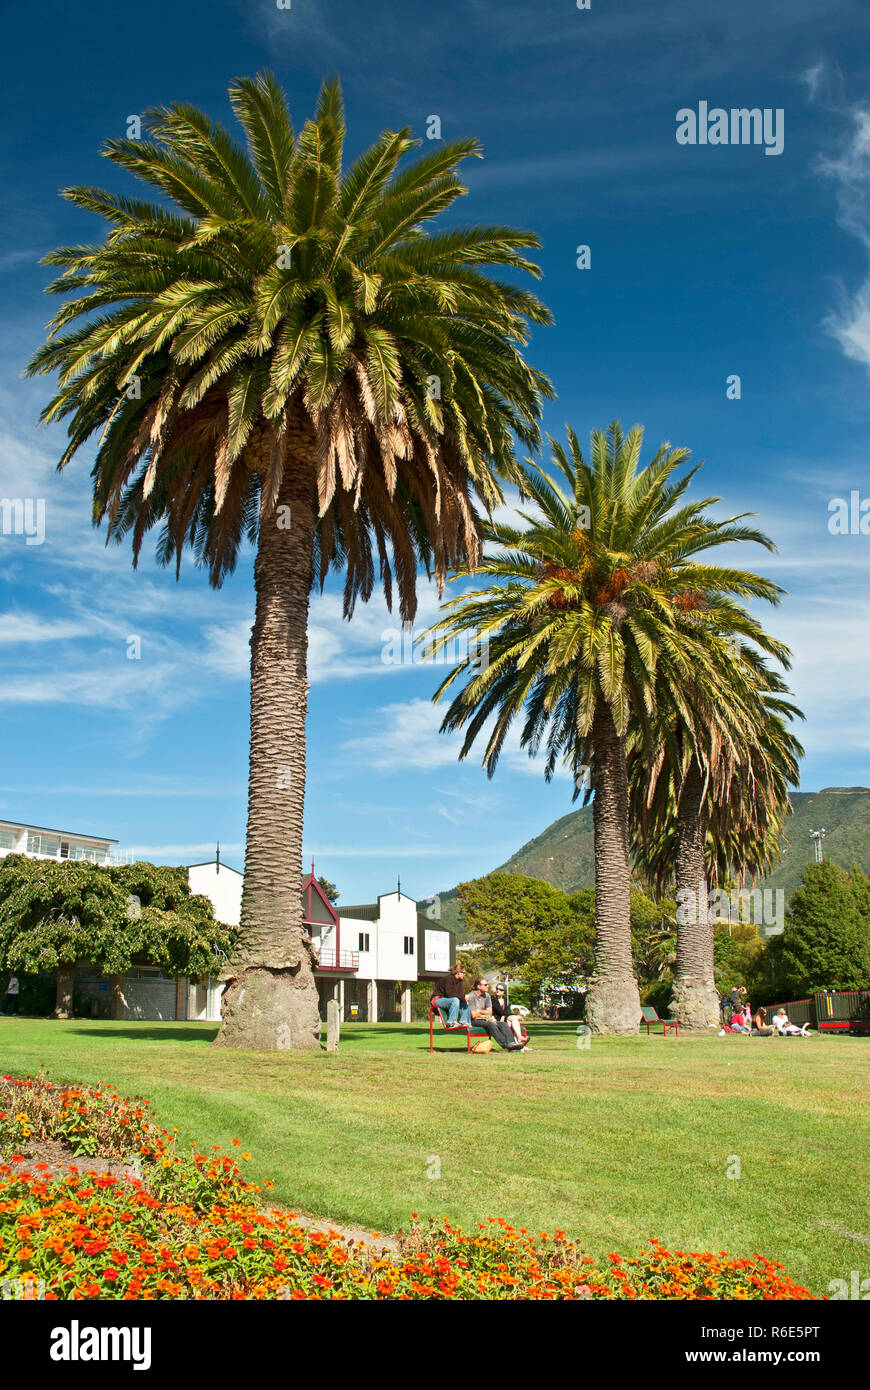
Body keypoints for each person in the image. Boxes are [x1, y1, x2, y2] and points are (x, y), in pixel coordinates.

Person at [467, 978, 526, 1051]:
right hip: (473, 1020)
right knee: (491, 1024)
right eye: (485, 985)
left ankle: (512, 1043)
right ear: (479, 986)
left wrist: (479, 1011)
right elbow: (473, 1015)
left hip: (486, 1019)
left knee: (503, 1024)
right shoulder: (471, 996)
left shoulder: (487, 996)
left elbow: (490, 1012)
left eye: (487, 984)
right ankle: (505, 1044)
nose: (487, 986)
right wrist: (484, 1012)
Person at [431, 962, 471, 1027]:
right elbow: (450, 994)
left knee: (464, 1001)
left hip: (448, 999)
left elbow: (459, 994)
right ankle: (451, 1021)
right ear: (458, 972)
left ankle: (464, 1021)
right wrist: (463, 996)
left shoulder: (460, 981)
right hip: (437, 1000)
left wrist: (465, 998)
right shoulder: (448, 979)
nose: (464, 974)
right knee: (455, 1000)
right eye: (463, 973)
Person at [491, 983, 528, 1048]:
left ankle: (520, 1045)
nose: (498, 990)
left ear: (504, 991)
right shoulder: (493, 999)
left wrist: (506, 1016)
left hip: (504, 1019)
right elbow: (499, 1011)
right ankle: (520, 1039)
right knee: (514, 1019)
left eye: (500, 989)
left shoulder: (505, 1000)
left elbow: (507, 1012)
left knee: (512, 1022)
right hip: (496, 1020)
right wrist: (513, 1016)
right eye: (497, 989)